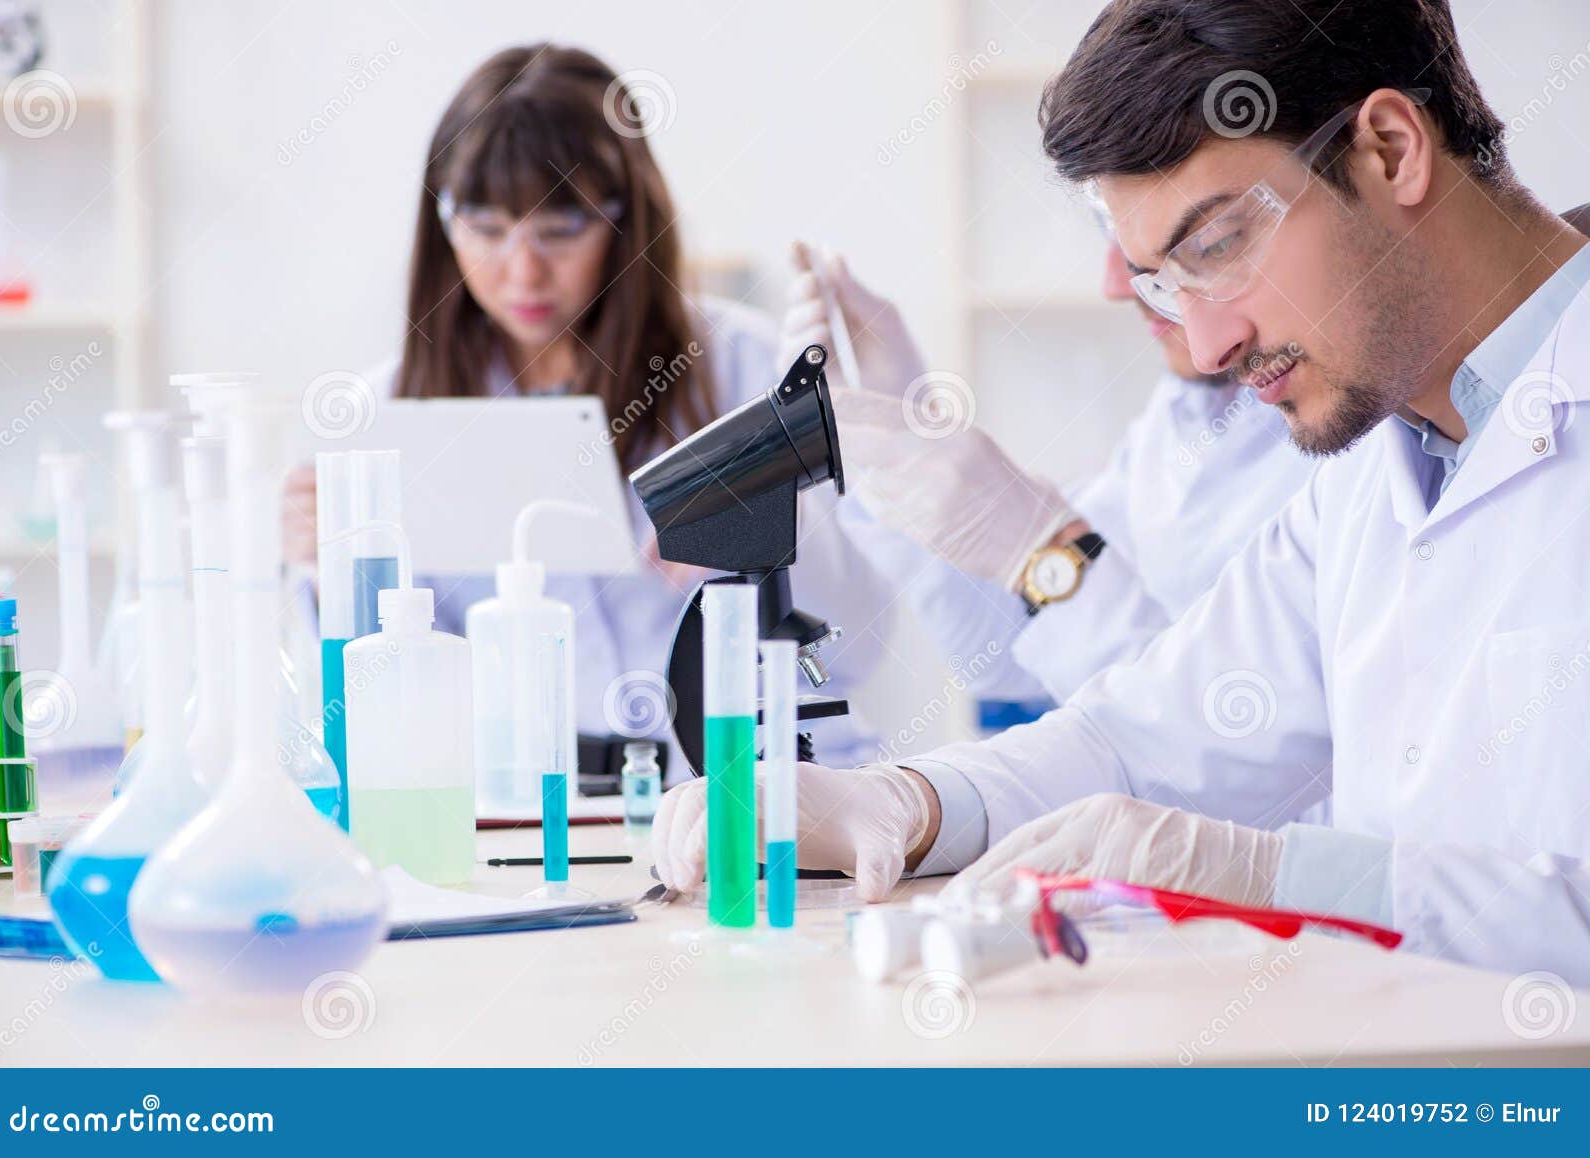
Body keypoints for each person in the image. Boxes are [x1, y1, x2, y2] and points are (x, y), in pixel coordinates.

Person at [656, 0, 1590, 984]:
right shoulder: (1374, 464)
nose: (1206, 345)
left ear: (1392, 149)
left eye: (1217, 245)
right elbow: (1141, 739)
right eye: (1160, 286)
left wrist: (1280, 877)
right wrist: (902, 803)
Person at [281, 44, 892, 767]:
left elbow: (862, 641)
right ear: (441, 222)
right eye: (484, 228)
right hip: (523, 811)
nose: (522, 270)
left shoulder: (744, 368)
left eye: (559, 229)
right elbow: (370, 704)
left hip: (751, 785)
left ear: (627, 219)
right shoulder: (389, 407)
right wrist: (328, 574)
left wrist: (762, 544)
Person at [781, 229, 1315, 715]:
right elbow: (1006, 665)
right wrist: (893, 444)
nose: (1115, 284)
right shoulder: (1183, 413)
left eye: (1202, 238)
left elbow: (1219, 734)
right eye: (1106, 233)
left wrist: (1045, 552)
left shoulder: (1331, 433)